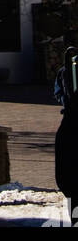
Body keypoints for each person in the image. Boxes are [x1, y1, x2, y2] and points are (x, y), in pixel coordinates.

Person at [54, 46, 78, 226]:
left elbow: (58, 93)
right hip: (71, 127)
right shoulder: (66, 71)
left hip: (70, 126)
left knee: (70, 183)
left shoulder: (66, 70)